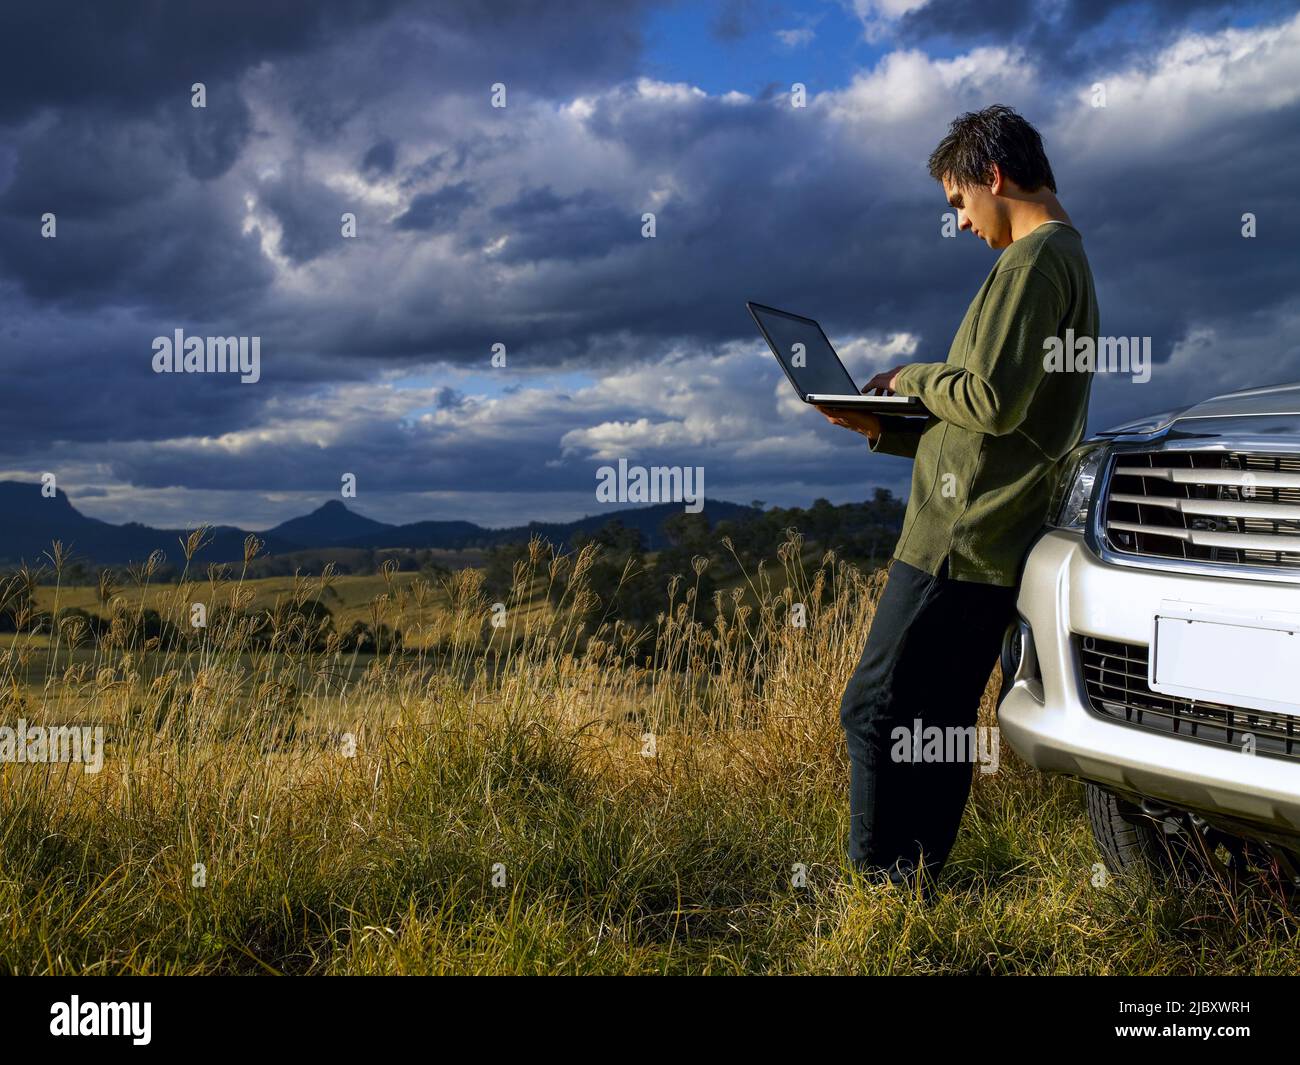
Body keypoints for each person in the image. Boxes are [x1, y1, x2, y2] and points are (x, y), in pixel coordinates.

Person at [818, 104, 1099, 895]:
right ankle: (917, 887)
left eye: (958, 203)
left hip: (957, 538)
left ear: (994, 176)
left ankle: (876, 893)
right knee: (935, 726)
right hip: (991, 536)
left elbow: (989, 399)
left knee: (872, 708)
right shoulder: (1063, 260)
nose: (964, 222)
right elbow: (994, 427)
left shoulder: (1034, 264)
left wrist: (910, 378)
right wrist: (881, 426)